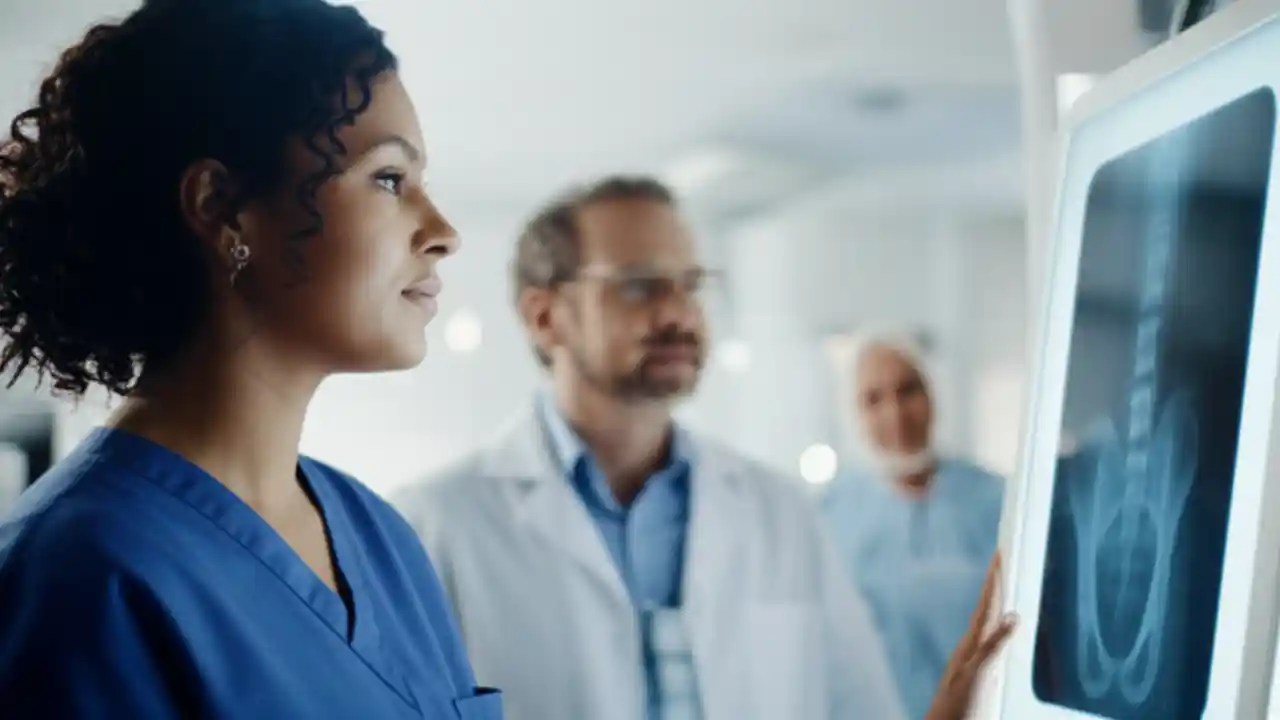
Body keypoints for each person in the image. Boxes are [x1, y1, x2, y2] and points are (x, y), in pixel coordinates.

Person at [0, 1, 502, 717]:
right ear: (222, 207)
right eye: (389, 179)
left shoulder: (384, 539)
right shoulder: (82, 577)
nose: (444, 232)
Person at [393, 176, 1015, 720]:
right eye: (639, 286)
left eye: (690, 285)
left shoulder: (781, 514)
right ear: (544, 317)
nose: (679, 313)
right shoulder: (435, 527)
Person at [821, 334, 1005, 720]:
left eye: (908, 390)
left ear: (933, 393)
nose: (895, 414)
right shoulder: (828, 516)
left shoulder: (996, 500)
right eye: (873, 399)